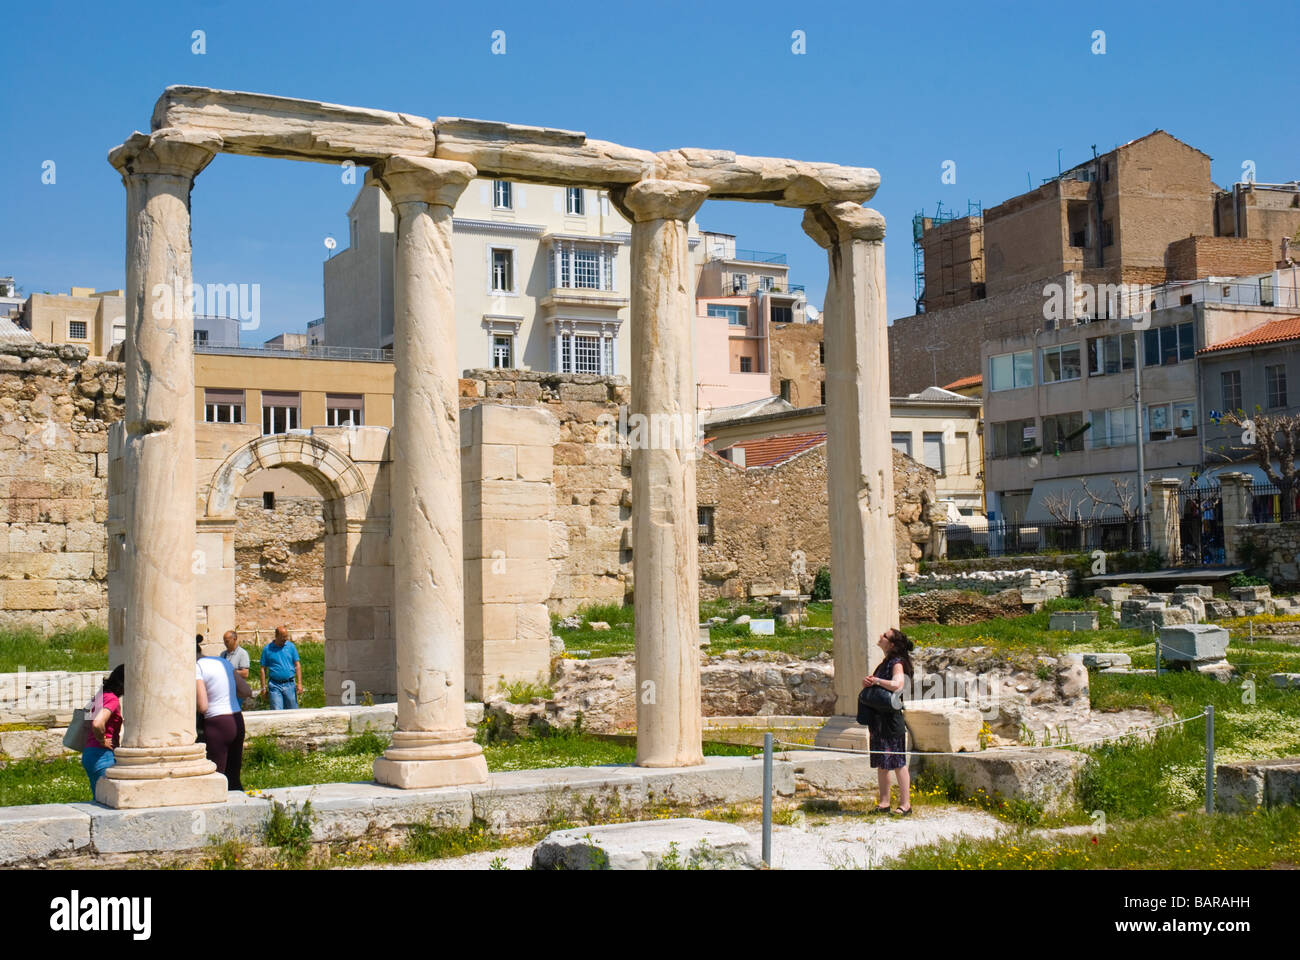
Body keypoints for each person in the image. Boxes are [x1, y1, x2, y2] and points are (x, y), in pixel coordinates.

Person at [863, 628, 914, 816]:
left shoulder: (897, 663)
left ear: (891, 644)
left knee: (898, 761)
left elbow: (898, 685)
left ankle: (905, 804)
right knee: (882, 761)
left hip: (891, 718)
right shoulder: (886, 662)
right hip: (879, 718)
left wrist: (876, 681)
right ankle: (884, 803)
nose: (880, 636)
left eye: (884, 635)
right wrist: (870, 683)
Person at [197, 639, 245, 792]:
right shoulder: (223, 662)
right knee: (234, 778)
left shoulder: (196, 667)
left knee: (217, 776)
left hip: (217, 723)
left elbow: (203, 706)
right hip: (236, 719)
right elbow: (246, 691)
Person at [82, 664, 125, 796]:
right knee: (110, 799)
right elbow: (97, 723)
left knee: (100, 797)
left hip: (89, 752)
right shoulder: (112, 699)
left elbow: (86, 720)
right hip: (102, 754)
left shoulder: (100, 696)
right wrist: (102, 740)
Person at [260, 626, 302, 710]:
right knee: (276, 712)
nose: (286, 639)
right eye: (283, 637)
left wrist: (299, 683)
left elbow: (297, 665)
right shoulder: (267, 649)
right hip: (275, 685)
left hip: (290, 684)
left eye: (286, 636)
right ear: (276, 636)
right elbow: (263, 669)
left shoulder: (291, 647)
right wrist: (263, 688)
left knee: (292, 712)